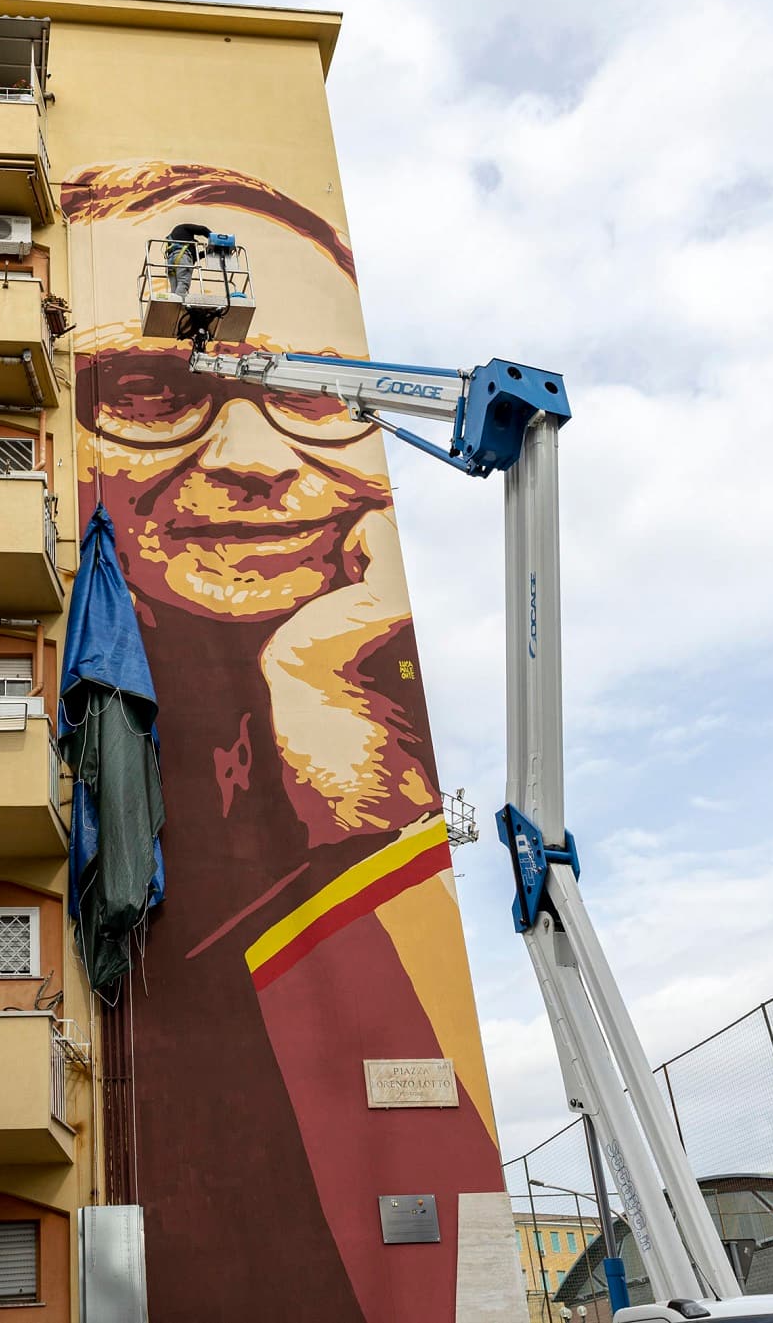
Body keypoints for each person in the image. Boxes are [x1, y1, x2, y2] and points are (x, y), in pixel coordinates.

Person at [63, 161, 509, 1323]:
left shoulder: (355, 713)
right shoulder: (112, 645)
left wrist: (360, 819)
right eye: (158, 397)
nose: (257, 459)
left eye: (312, 399)